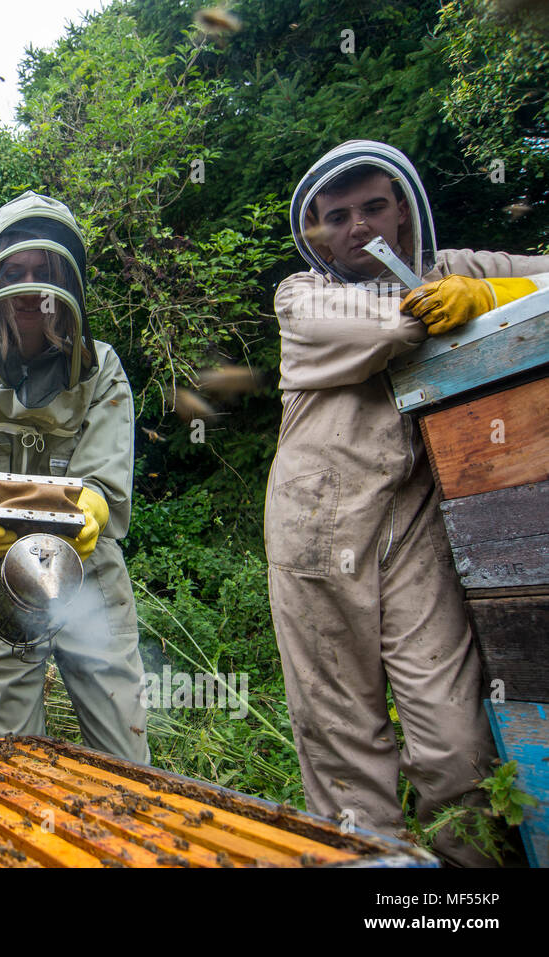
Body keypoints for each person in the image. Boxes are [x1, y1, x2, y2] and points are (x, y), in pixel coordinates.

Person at [266, 139, 549, 865]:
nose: (357, 227)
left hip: (418, 523)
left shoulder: (460, 270)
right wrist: (452, 311)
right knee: (343, 751)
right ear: (316, 232)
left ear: (404, 208)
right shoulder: (302, 293)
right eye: (337, 216)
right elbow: (388, 327)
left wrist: (490, 295)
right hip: (315, 529)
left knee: (457, 741)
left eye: (373, 206)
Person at [0, 191, 149, 762]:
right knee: (11, 763)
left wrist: (87, 508)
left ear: (67, 282)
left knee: (127, 760)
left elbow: (105, 485)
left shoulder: (103, 369)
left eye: (43, 272)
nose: (29, 286)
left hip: (89, 577)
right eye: (14, 270)